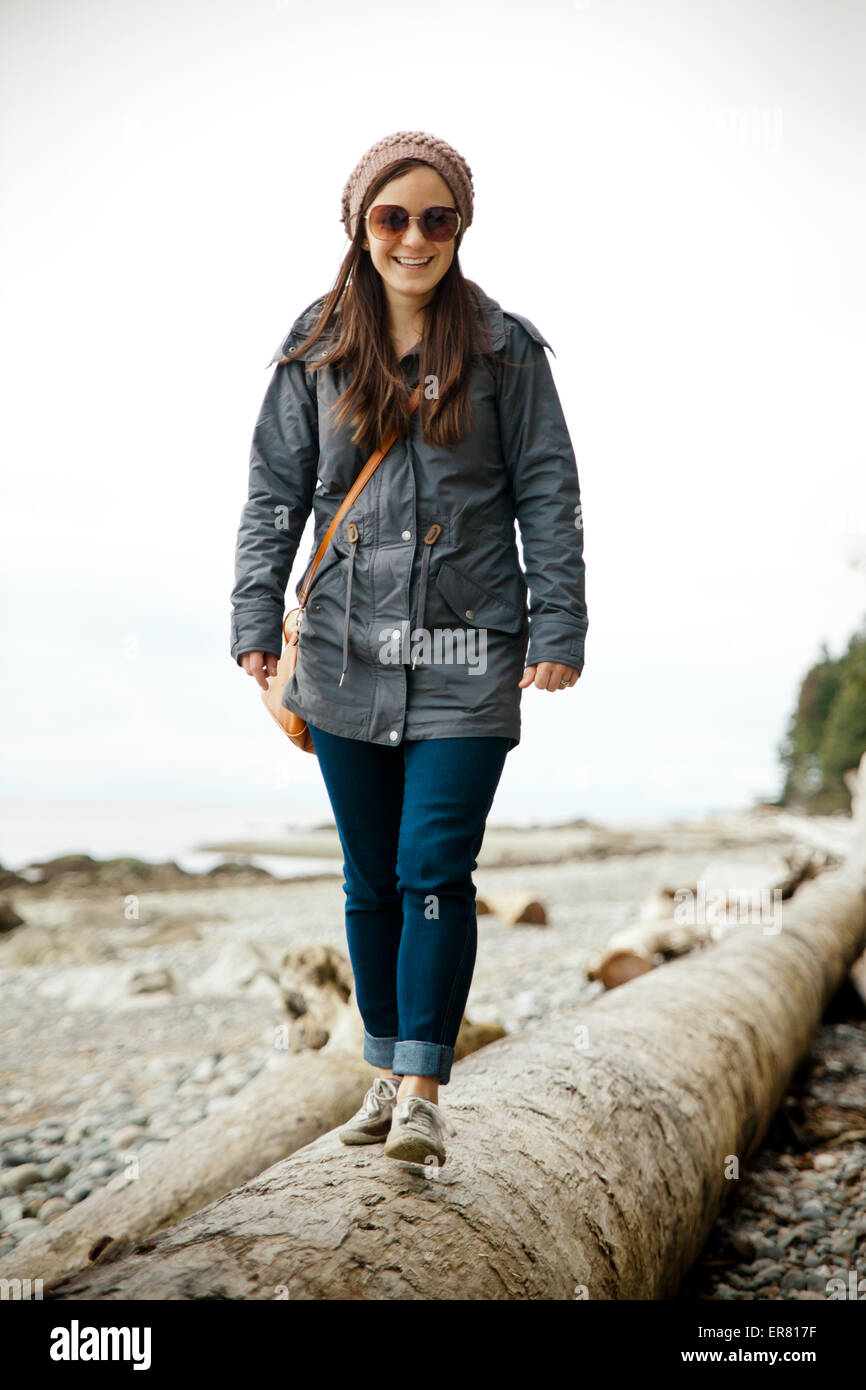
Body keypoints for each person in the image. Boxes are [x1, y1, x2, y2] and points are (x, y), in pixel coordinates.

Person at [230, 131, 588, 1168]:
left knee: (435, 862)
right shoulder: (314, 345)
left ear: (460, 225)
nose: (415, 237)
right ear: (359, 227)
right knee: (367, 875)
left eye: (436, 217)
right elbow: (272, 492)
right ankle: (383, 1072)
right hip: (343, 644)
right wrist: (255, 618)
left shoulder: (506, 350)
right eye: (393, 218)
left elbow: (548, 494)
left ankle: (423, 1089)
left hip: (472, 649)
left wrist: (558, 624)